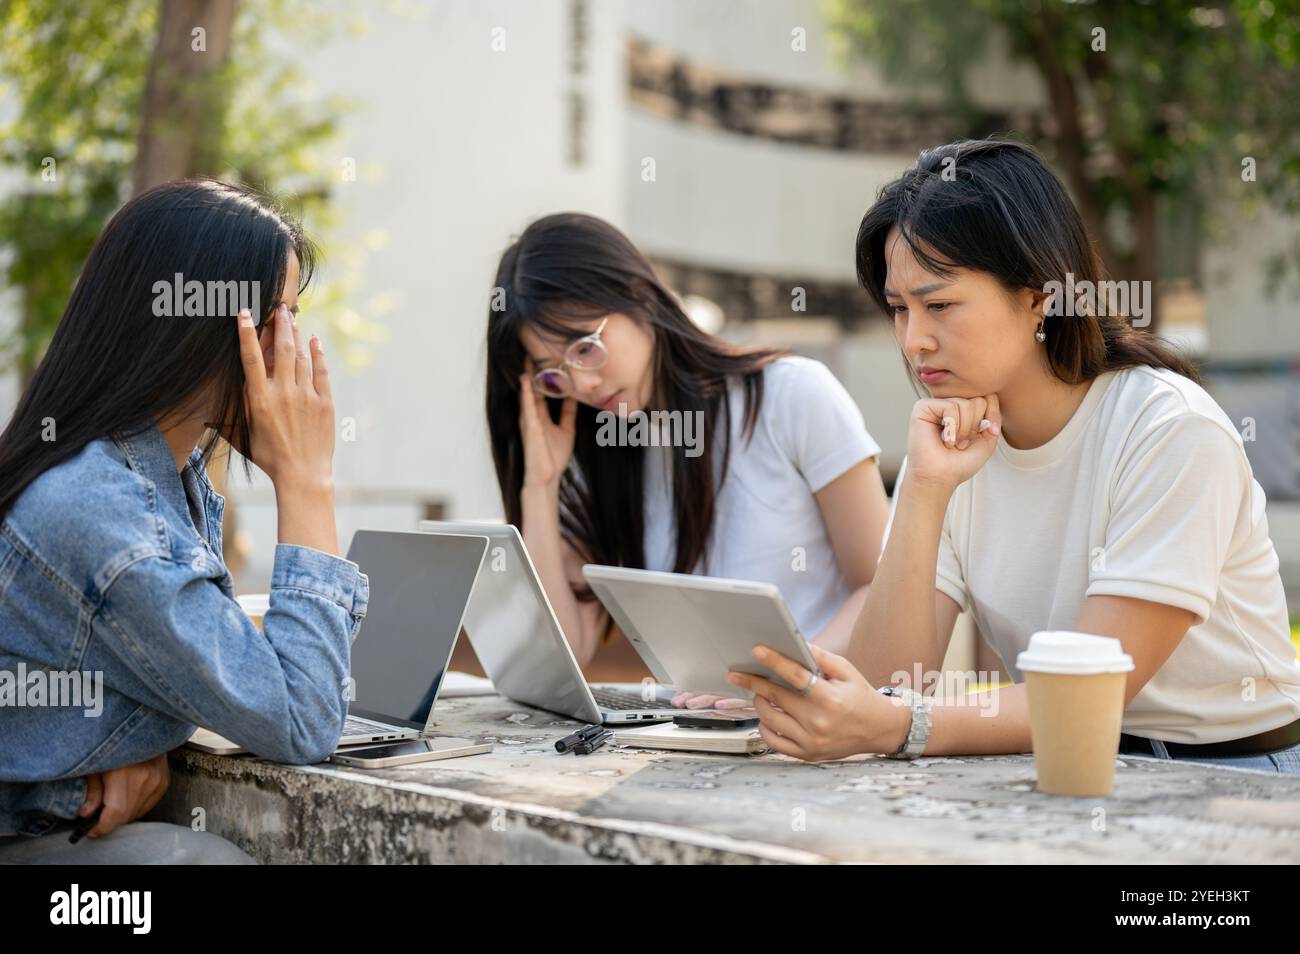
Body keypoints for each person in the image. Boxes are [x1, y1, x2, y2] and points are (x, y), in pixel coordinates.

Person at [729, 139, 1300, 773]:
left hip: (1227, 778)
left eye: (939, 305)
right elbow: (882, 685)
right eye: (898, 309)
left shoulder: (1168, 429)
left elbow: (1089, 694)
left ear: (1039, 295)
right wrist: (924, 488)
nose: (914, 340)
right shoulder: (954, 448)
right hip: (1058, 761)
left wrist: (896, 723)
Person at [0, 179, 366, 861]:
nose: (292, 344)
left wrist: (135, 746)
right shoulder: (102, 510)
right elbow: (304, 717)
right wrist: (307, 480)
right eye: (279, 315)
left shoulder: (156, 477)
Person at [485, 212, 890, 689]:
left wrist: (786, 683)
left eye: (584, 348)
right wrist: (540, 486)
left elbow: (880, 588)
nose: (582, 384)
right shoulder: (606, 451)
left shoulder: (792, 394)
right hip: (702, 735)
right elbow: (566, 652)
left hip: (815, 724)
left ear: (637, 293)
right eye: (553, 373)